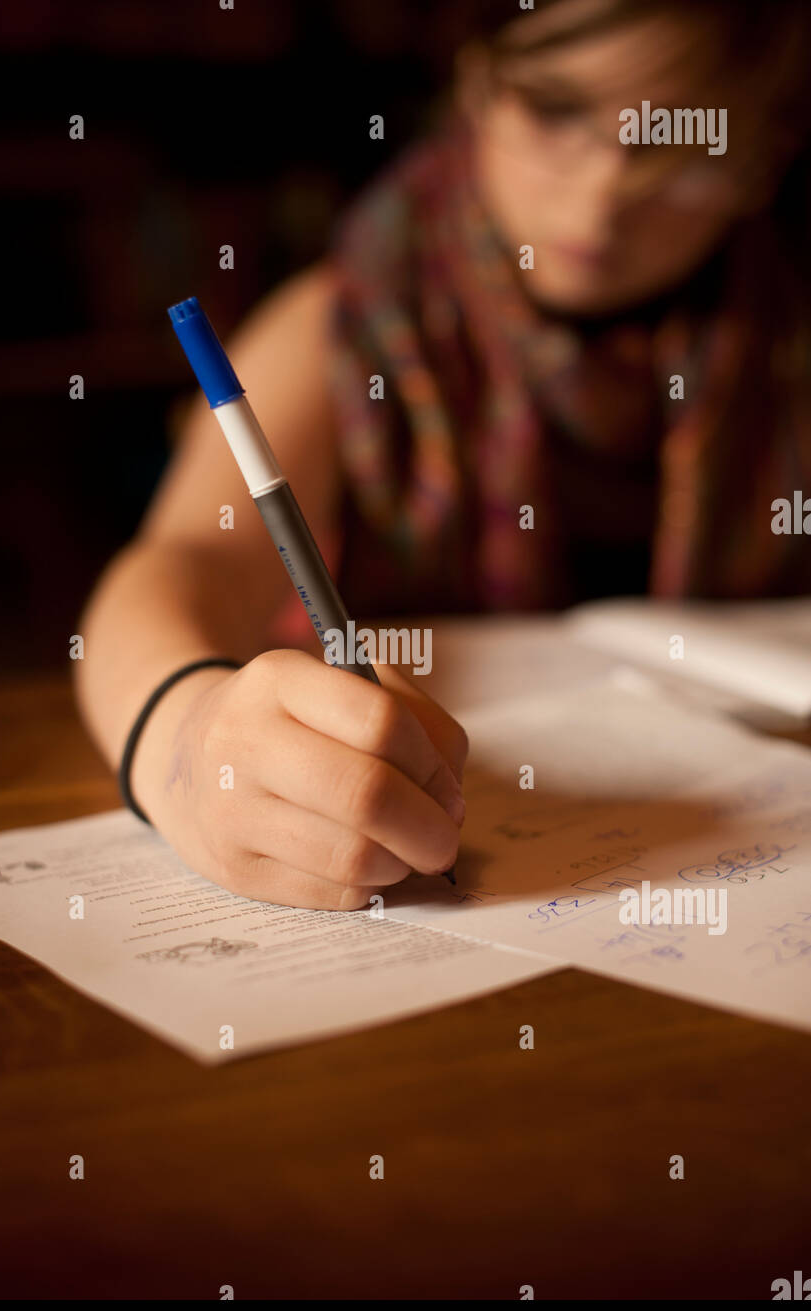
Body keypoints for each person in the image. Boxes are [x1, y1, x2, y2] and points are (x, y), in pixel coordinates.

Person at [75, 0, 811, 910]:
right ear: (477, 81)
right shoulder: (339, 330)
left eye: (675, 139)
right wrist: (183, 742)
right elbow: (182, 564)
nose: (604, 192)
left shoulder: (790, 332)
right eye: (556, 109)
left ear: (762, 147)